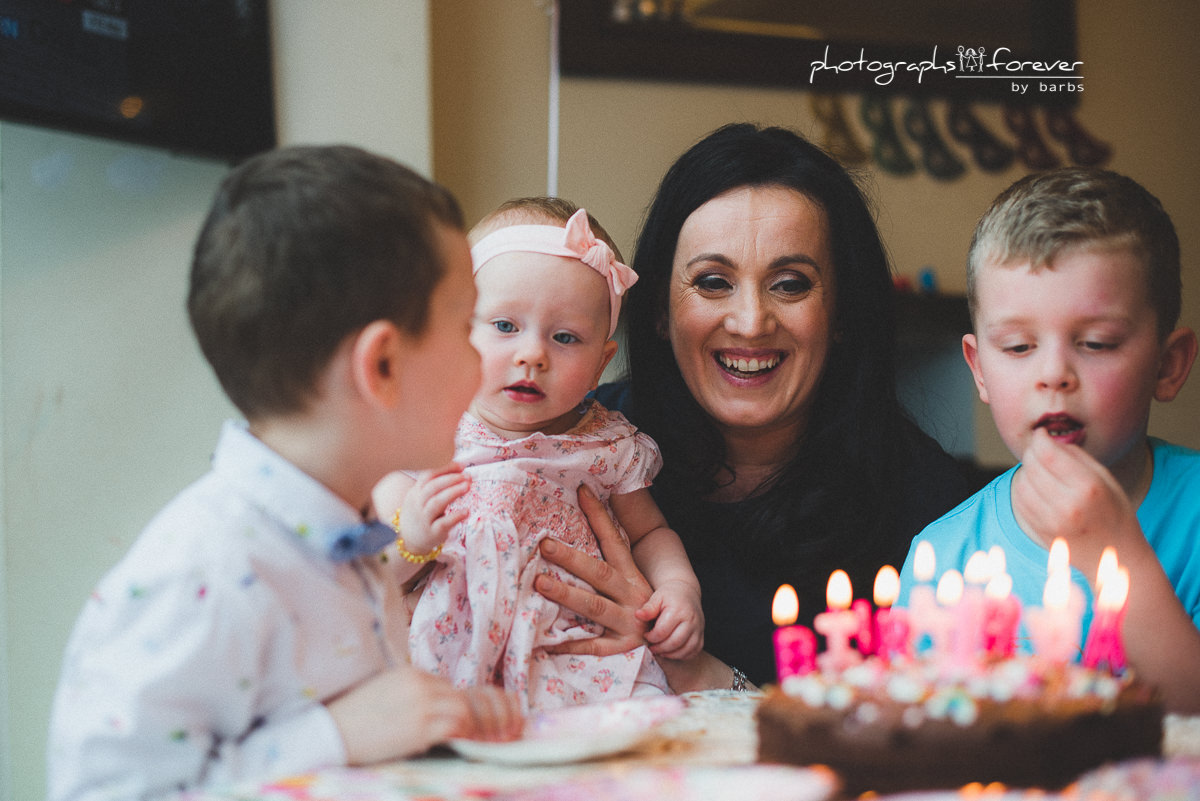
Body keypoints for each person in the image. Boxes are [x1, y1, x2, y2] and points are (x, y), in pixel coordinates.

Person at [46, 145, 523, 801]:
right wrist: (336, 734)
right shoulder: (202, 571)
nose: (483, 363)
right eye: (467, 326)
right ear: (381, 366)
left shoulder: (352, 536)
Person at [534, 123, 973, 690]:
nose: (750, 323)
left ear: (841, 312)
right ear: (661, 311)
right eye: (713, 282)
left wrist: (695, 673)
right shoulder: (574, 454)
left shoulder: (925, 502)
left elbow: (936, 727)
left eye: (790, 284)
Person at [374, 197, 703, 712]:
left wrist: (680, 590)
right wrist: (412, 539)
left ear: (600, 364)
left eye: (566, 337)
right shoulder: (425, 443)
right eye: (505, 326)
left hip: (584, 660)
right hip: (457, 662)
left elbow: (650, 533)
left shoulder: (607, 446)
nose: (533, 354)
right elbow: (367, 580)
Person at [897, 167, 1200, 712]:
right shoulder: (943, 558)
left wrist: (1115, 550)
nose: (1054, 374)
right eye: (1017, 347)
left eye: (1097, 343)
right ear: (980, 370)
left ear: (1169, 364)